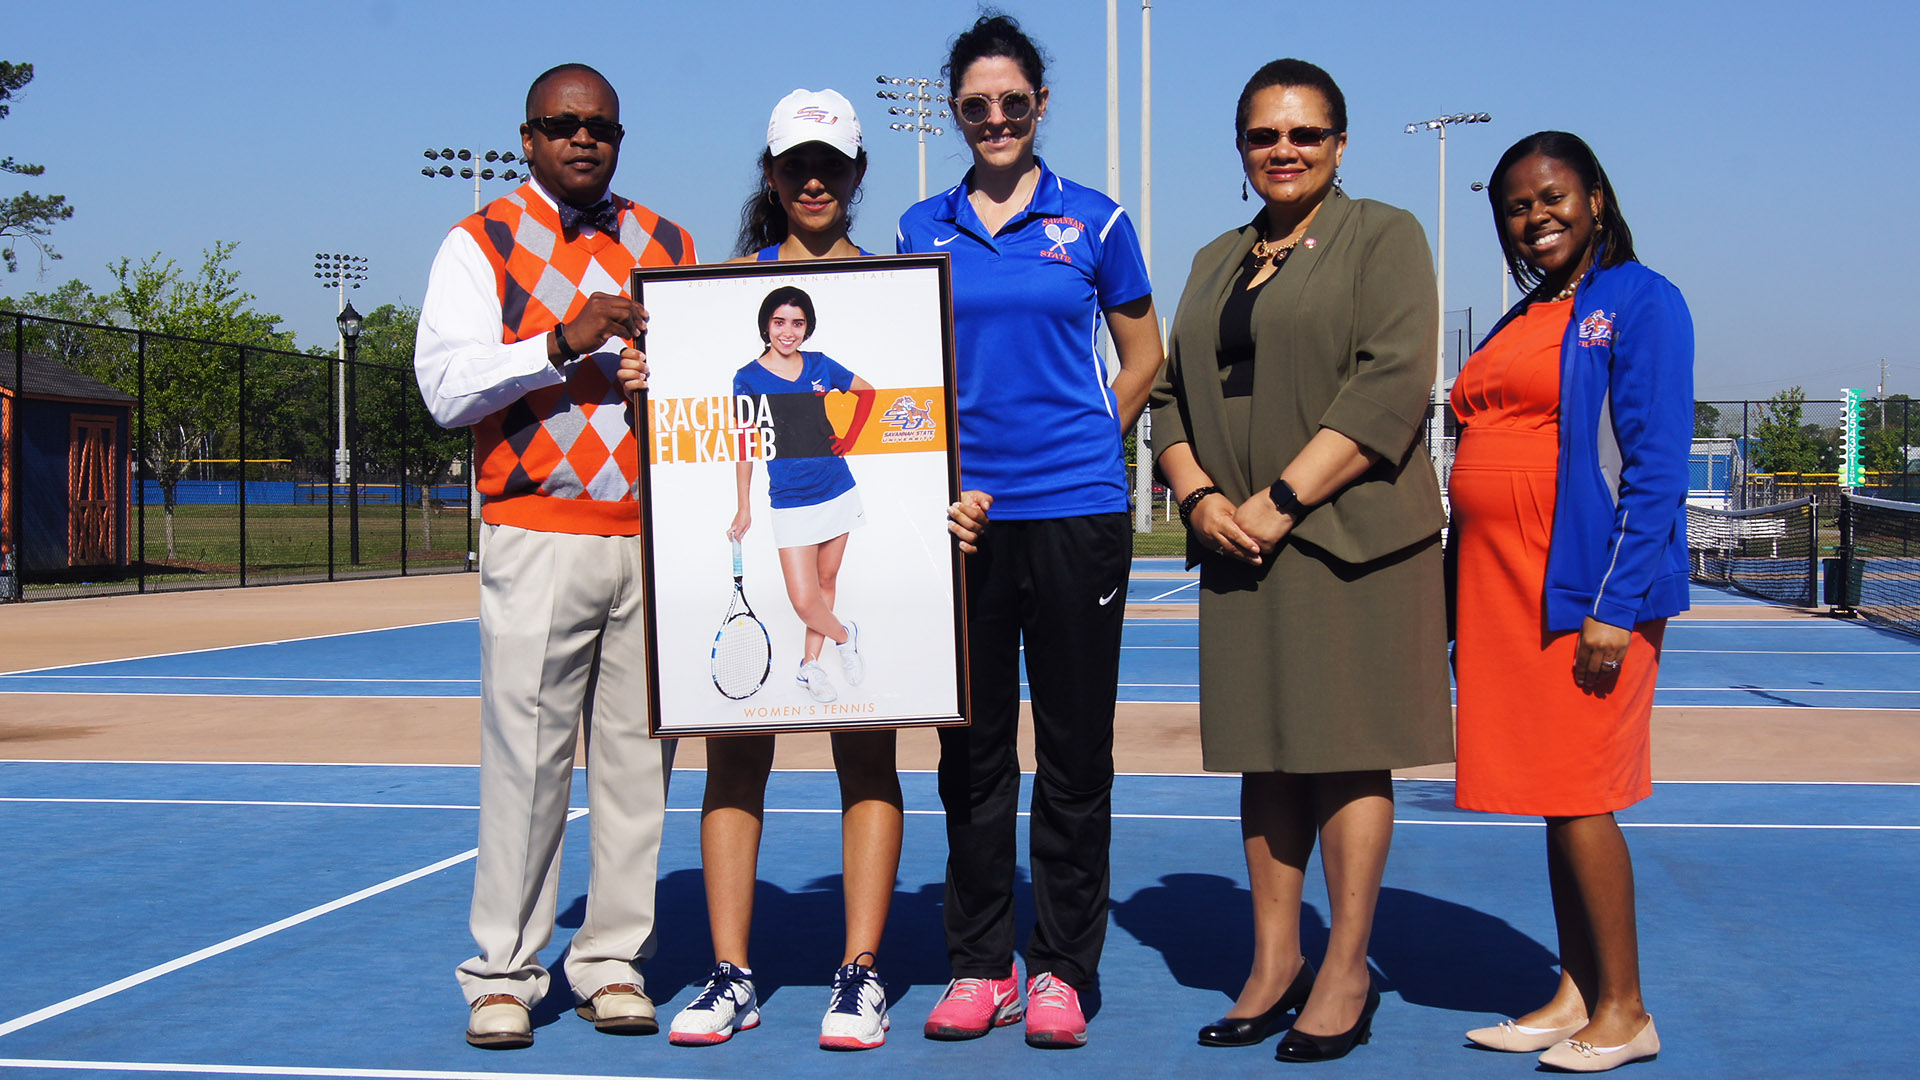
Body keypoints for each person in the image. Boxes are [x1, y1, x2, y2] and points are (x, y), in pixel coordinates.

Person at [1147, 59, 1452, 1063]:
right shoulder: (1211, 259)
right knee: (1265, 753)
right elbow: (1168, 400)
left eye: (1305, 134)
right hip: (1234, 541)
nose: (1284, 150)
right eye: (1264, 135)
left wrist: (1279, 501)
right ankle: (1273, 963)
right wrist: (1198, 497)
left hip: (1348, 542)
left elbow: (1391, 383)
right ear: (1241, 149)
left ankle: (1346, 968)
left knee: (1343, 749)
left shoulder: (1386, 237)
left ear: (1340, 142)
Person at [414, 62, 696, 1051]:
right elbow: (444, 389)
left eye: (601, 129)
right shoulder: (478, 243)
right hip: (536, 531)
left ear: (621, 138)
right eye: (561, 125)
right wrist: (557, 344)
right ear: (527, 137)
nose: (583, 140)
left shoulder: (667, 243)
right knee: (526, 769)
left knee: (636, 771)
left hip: (648, 540)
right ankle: (502, 972)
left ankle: (611, 961)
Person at [896, 12, 1163, 1050]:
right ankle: (977, 964)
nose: (995, 118)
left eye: (1013, 102)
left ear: (1041, 107)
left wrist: (1097, 436)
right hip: (962, 526)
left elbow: (1144, 352)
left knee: (1072, 752)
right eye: (976, 105)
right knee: (969, 753)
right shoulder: (921, 227)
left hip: (1078, 514)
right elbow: (902, 373)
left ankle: (1059, 969)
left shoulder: (1095, 222)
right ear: (957, 113)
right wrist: (937, 480)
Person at [619, 89, 900, 1053]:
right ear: (771, 175)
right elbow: (722, 435)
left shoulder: (894, 286)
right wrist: (647, 390)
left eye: (830, 163)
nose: (812, 179)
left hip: (846, 492)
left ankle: (861, 974)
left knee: (868, 748)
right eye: (793, 165)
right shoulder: (715, 307)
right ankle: (731, 973)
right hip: (782, 499)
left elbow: (891, 404)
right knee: (738, 742)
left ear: (858, 174)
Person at [1451, 131, 1690, 1072]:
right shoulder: (1526, 313)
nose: (1536, 215)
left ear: (1594, 195)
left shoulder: (1641, 300)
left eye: (1553, 196)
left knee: (1584, 792)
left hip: (1581, 587)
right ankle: (1576, 992)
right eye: (1516, 205)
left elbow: (1656, 465)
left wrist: (1613, 604)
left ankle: (1627, 1010)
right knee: (1557, 794)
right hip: (1499, 589)